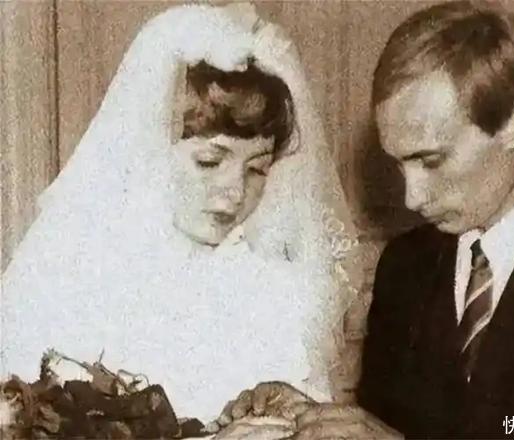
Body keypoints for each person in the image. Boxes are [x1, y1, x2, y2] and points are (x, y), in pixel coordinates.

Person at [220, 1, 514, 439]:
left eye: (431, 161)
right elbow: (387, 426)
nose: (412, 196)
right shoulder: (406, 266)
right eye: (399, 164)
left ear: (512, 124)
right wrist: (314, 420)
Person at [0, 4, 360, 436]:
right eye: (209, 162)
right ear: (150, 152)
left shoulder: (278, 291)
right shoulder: (71, 272)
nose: (234, 192)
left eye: (257, 169)